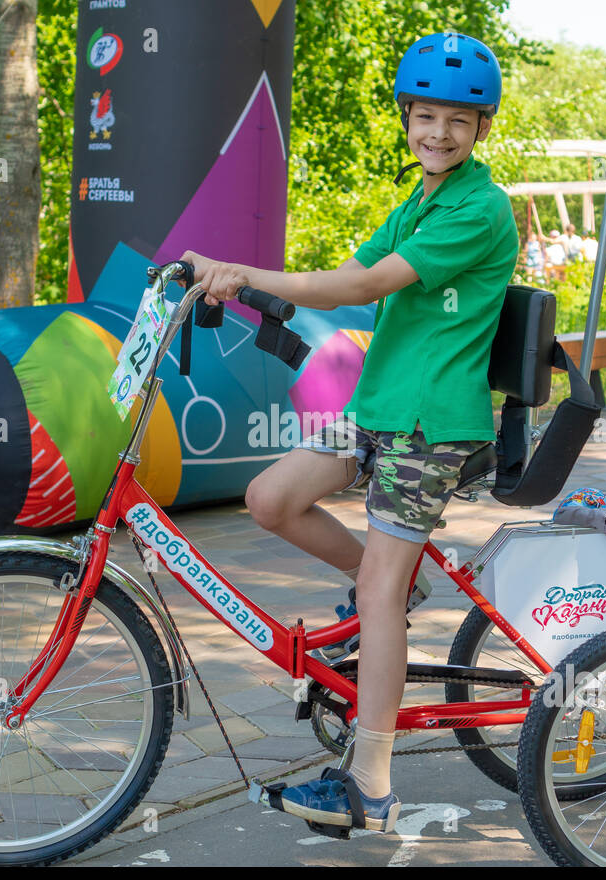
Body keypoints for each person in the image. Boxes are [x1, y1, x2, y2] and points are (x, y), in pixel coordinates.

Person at [181, 31, 517, 831]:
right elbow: (340, 283)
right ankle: (400, 582)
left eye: (458, 121)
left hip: (431, 426)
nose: (438, 133)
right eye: (425, 116)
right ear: (407, 116)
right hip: (376, 415)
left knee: (374, 594)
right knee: (270, 498)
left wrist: (245, 272)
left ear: (481, 129)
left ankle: (369, 780)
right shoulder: (418, 203)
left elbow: (367, 283)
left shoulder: (480, 206)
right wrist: (238, 281)